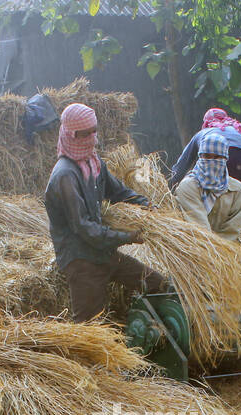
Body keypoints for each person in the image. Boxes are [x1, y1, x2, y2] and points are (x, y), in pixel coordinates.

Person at [44, 102, 169, 324]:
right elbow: (84, 228)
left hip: (103, 253)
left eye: (95, 131)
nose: (93, 138)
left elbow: (119, 192)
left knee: (158, 285)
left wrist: (147, 206)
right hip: (81, 260)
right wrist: (127, 237)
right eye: (86, 133)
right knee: (90, 328)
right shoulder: (65, 176)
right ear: (72, 135)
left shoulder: (93, 163)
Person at [175, 130, 241, 239]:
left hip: (226, 250)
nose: (211, 161)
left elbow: (231, 232)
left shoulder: (238, 191)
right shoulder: (188, 186)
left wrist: (222, 252)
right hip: (194, 245)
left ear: (225, 159)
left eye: (217, 157)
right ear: (200, 157)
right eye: (207, 156)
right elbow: (200, 230)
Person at [169, 108, 241, 195]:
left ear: (206, 122)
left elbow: (182, 165)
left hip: (212, 171)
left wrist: (171, 186)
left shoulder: (202, 133)